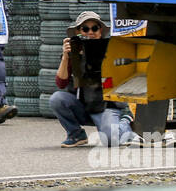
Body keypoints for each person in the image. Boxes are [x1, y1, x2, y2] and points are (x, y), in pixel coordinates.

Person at [47, 11, 138, 147]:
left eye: (94, 28)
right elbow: (61, 83)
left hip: (105, 105)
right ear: (78, 32)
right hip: (83, 104)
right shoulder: (74, 52)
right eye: (85, 29)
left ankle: (126, 120)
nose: (90, 32)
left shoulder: (110, 50)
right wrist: (66, 57)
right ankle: (76, 134)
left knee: (111, 140)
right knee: (57, 99)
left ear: (100, 31)